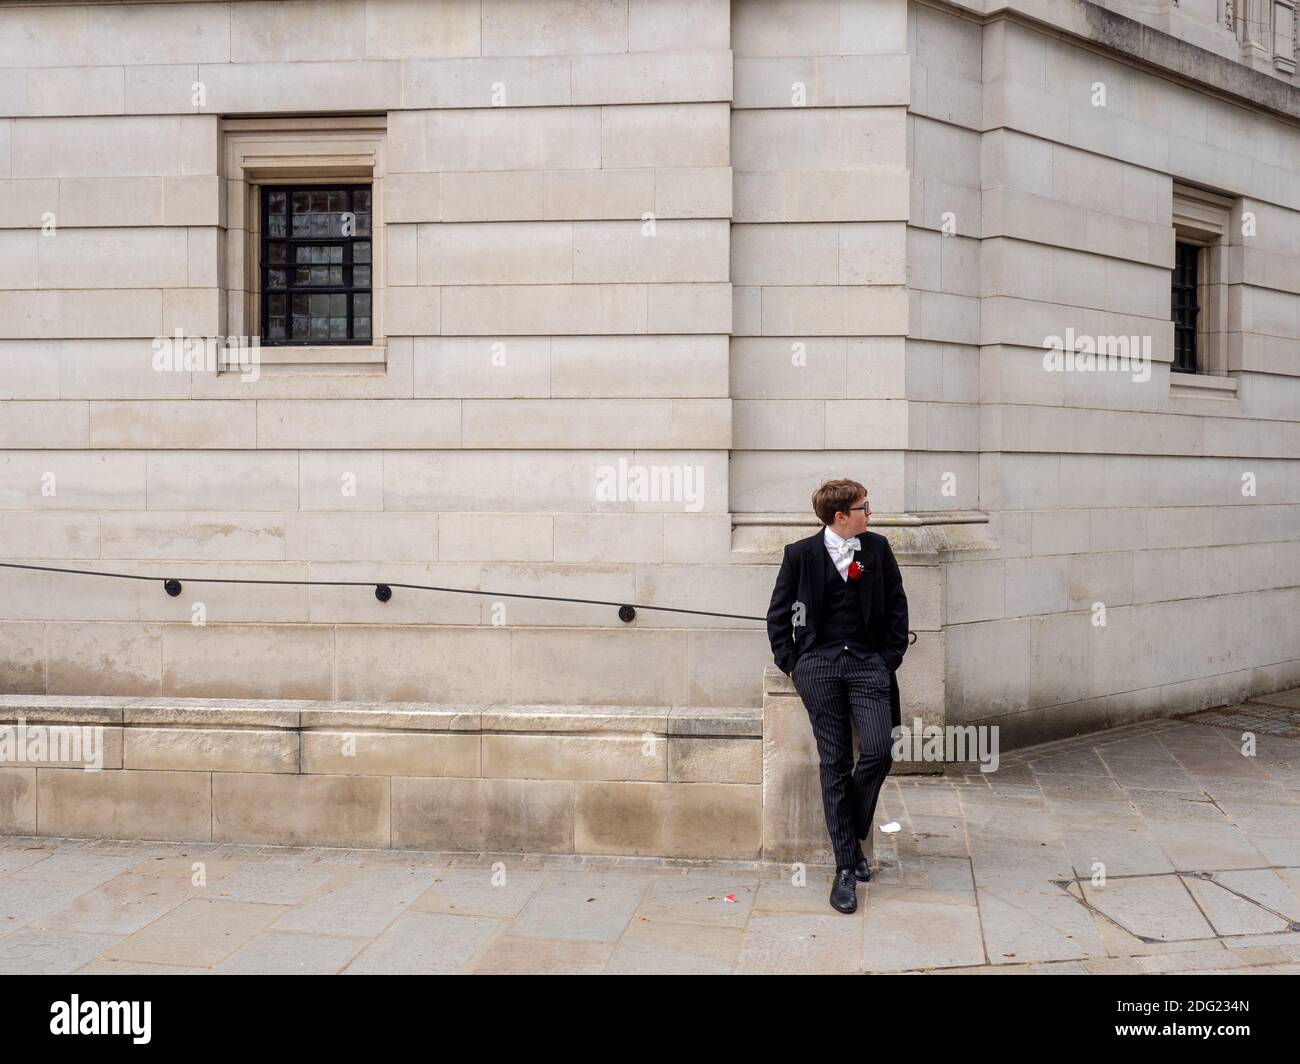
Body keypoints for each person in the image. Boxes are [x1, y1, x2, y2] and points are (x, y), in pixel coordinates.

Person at [765, 478, 910, 913]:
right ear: (840, 517)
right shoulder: (800, 555)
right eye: (865, 507)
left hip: (868, 664)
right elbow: (778, 613)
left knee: (880, 750)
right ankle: (846, 867)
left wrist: (888, 659)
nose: (871, 513)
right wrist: (791, 662)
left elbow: (898, 607)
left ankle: (850, 828)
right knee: (834, 761)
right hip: (818, 666)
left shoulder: (877, 549)